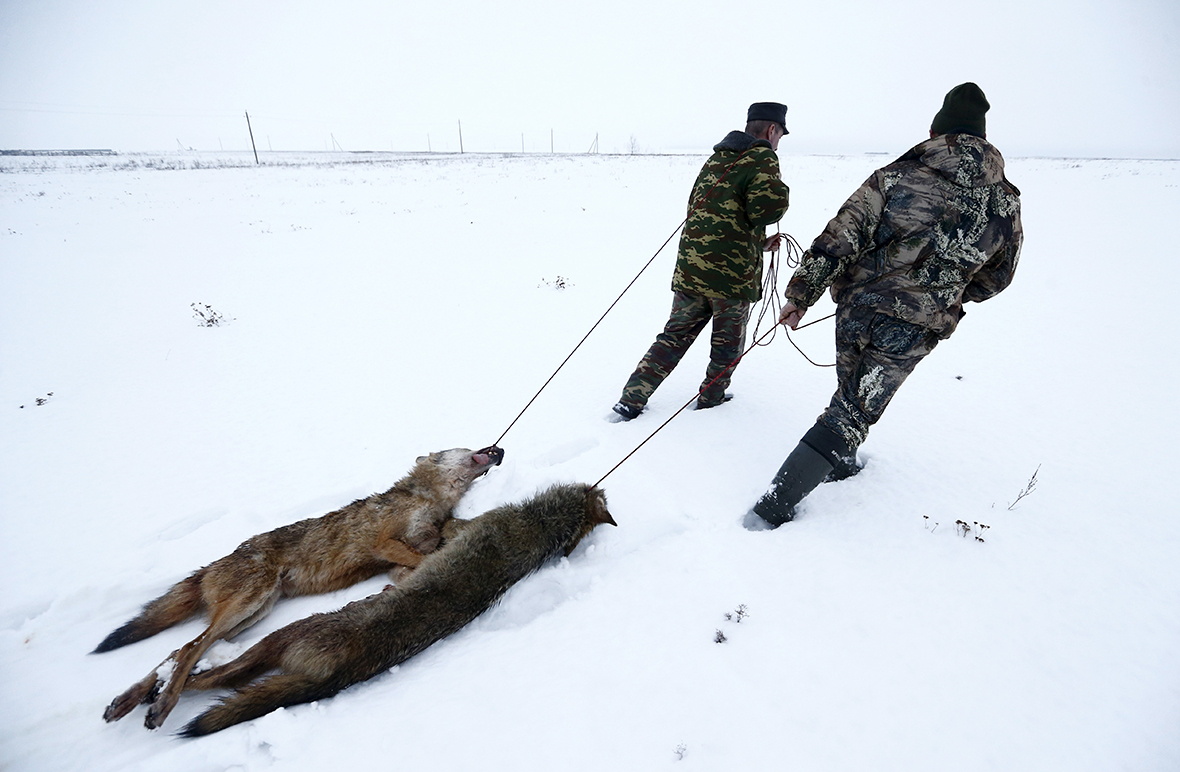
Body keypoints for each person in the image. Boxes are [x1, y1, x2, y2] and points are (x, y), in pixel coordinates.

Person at [749, 83, 1023, 527]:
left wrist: (802, 295)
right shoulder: (1006, 201)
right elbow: (999, 275)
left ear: (937, 132)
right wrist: (948, 292)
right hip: (915, 324)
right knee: (853, 410)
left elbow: (842, 234)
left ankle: (838, 462)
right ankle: (770, 513)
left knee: (850, 397)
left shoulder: (896, 175)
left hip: (857, 307)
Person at [611, 102, 791, 421]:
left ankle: (631, 398)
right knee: (727, 345)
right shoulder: (763, 156)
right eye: (780, 136)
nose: (778, 142)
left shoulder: (717, 158)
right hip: (730, 279)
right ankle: (712, 400)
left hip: (692, 270)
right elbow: (767, 211)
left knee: (673, 337)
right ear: (772, 130)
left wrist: (760, 244)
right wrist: (780, 189)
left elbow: (717, 215)